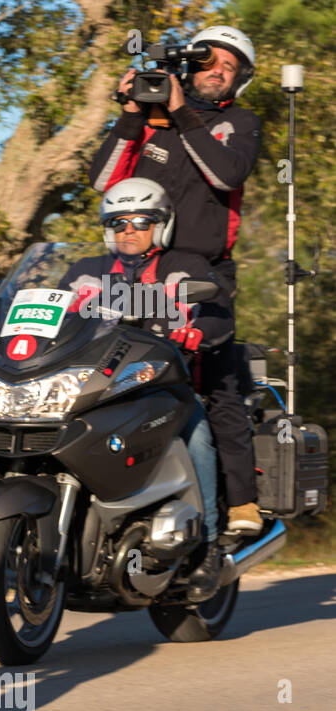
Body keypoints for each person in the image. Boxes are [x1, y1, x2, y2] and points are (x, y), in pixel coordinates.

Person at [89, 25, 263, 535]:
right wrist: (128, 115)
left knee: (217, 384)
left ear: (239, 81)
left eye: (229, 68)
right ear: (190, 65)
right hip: (133, 269)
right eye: (211, 61)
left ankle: (239, 506)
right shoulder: (149, 123)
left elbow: (226, 175)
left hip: (203, 273)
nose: (218, 71)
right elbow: (101, 183)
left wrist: (183, 110)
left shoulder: (241, 124)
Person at [59, 178, 232, 601]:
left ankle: (209, 544)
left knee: (200, 437)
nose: (129, 229)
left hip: (163, 387)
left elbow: (218, 315)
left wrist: (197, 331)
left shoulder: (185, 267)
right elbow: (54, 311)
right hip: (93, 388)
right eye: (118, 222)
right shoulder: (86, 271)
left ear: (161, 225)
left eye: (141, 220)